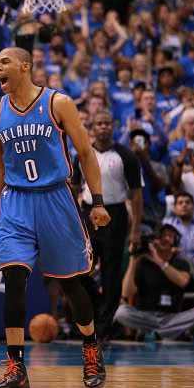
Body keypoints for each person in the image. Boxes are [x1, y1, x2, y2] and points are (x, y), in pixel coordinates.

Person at [0, 47, 110, 388]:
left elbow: (86, 152)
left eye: (4, 61)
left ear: (25, 66)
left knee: (71, 283)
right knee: (14, 279)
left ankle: (91, 348)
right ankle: (16, 368)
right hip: (15, 202)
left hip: (55, 198)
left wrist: (97, 201)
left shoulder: (58, 103)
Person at [73, 109, 143, 340]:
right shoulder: (82, 153)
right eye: (99, 123)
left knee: (111, 273)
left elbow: (136, 194)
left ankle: (104, 329)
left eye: (107, 123)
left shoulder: (126, 155)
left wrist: (136, 230)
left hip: (115, 214)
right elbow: (74, 188)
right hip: (89, 213)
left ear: (113, 126)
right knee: (82, 270)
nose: (103, 127)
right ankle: (91, 316)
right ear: (92, 128)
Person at [115, 224, 194, 340]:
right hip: (145, 316)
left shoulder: (181, 262)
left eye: (170, 236)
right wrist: (133, 258)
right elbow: (126, 293)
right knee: (121, 312)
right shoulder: (142, 262)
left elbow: (183, 281)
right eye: (162, 236)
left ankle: (154, 333)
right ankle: (170, 332)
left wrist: (158, 261)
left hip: (172, 317)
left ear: (175, 242)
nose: (165, 239)